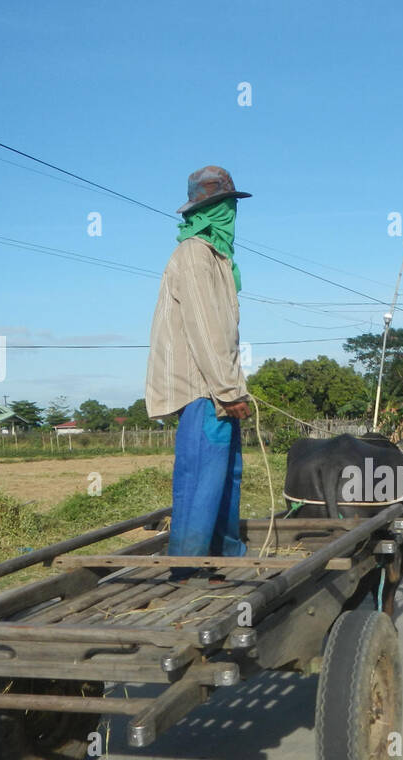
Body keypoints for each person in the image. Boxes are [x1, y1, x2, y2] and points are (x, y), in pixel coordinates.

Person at [146, 165, 253, 568]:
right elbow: (207, 330)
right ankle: (187, 570)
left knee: (227, 480)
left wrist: (231, 388)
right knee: (200, 484)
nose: (230, 212)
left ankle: (226, 563)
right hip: (203, 392)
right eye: (223, 204)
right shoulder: (194, 255)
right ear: (206, 210)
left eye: (231, 204)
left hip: (218, 390)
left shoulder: (218, 258)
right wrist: (229, 390)